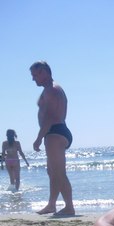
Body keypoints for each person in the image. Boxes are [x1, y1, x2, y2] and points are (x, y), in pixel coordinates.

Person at [30, 60, 75, 216]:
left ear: (43, 72)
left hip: (55, 131)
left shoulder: (52, 90)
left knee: (59, 172)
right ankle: (51, 205)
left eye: (35, 75)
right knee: (52, 171)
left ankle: (69, 207)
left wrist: (38, 138)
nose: (33, 79)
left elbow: (49, 117)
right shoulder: (52, 89)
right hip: (56, 131)